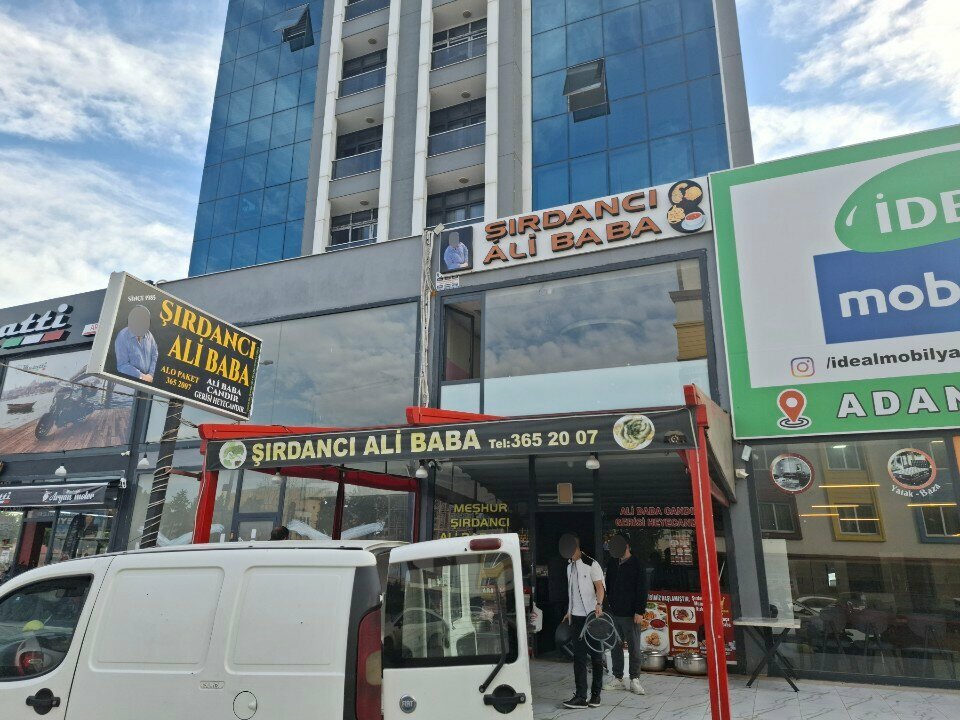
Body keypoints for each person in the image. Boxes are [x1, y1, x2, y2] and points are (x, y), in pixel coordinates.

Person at [561, 533, 606, 710]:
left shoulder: (592, 564)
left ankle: (596, 695)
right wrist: (568, 611)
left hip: (592, 617)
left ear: (577, 547)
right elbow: (571, 593)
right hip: (576, 618)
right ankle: (581, 696)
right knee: (578, 658)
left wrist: (599, 604)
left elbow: (600, 588)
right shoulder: (568, 567)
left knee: (596, 657)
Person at [603, 535, 648, 695]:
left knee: (634, 646)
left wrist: (639, 611)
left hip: (631, 614)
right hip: (615, 612)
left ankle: (635, 679)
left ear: (627, 546)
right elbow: (607, 585)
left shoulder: (637, 564)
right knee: (615, 646)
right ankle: (618, 678)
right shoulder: (612, 563)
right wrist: (607, 606)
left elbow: (642, 589)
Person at [114, 305, 158, 383]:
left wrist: (150, 374)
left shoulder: (149, 335)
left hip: (147, 382)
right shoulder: (123, 336)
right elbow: (122, 365)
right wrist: (141, 376)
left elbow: (154, 354)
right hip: (129, 383)